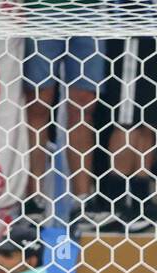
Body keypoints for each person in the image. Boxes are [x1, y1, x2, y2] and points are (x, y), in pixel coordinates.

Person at [23, 36, 105, 222]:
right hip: (41, 13)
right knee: (37, 102)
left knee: (85, 104)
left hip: (91, 15)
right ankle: (33, 198)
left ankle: (82, 199)